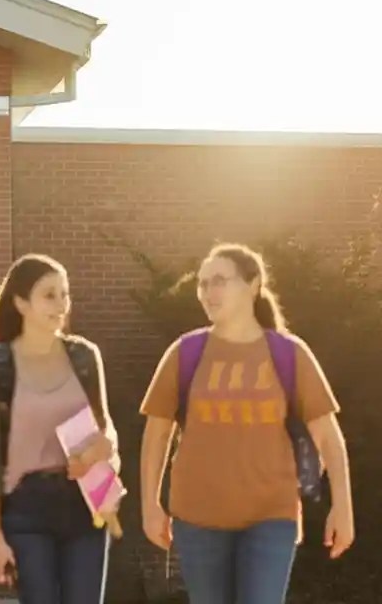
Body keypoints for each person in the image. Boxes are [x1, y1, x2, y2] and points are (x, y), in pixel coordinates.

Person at [139, 243, 355, 604]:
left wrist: (343, 508)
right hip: (197, 519)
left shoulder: (290, 354)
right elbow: (157, 434)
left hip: (272, 517)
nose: (209, 292)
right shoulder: (185, 353)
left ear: (253, 285)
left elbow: (329, 436)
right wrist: (149, 505)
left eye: (219, 281)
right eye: (203, 284)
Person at [0, 253, 118, 604]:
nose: (61, 304)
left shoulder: (84, 356)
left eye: (65, 294)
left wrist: (100, 448)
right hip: (26, 509)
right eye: (49, 295)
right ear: (21, 303)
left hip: (84, 503)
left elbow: (106, 429)